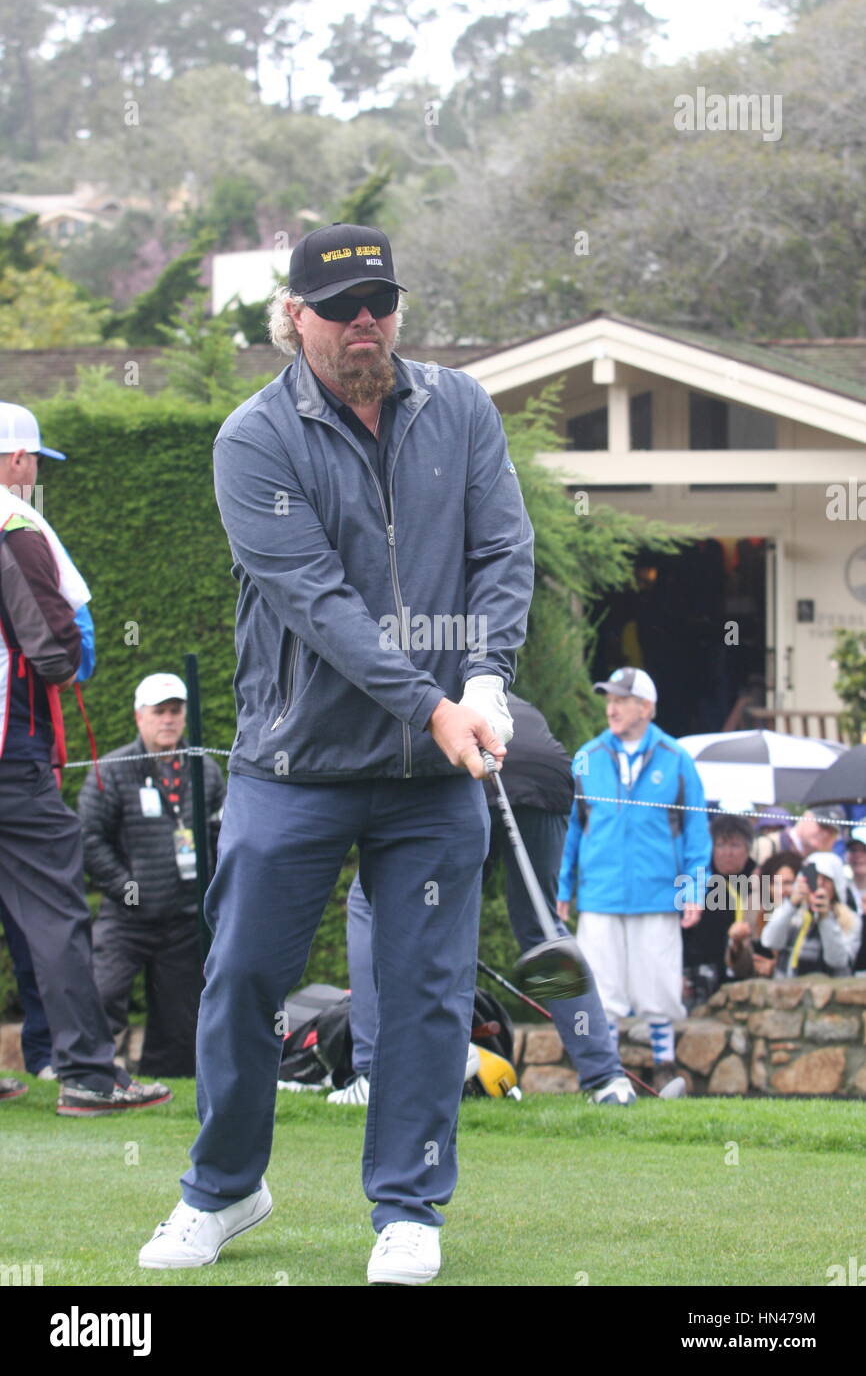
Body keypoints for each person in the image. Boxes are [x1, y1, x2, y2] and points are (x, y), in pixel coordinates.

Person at [138, 222, 534, 1285]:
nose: (365, 324)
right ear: (294, 319)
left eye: (380, 304)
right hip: (295, 764)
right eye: (340, 308)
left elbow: (503, 548)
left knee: (424, 992)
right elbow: (321, 606)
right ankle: (222, 1188)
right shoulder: (253, 438)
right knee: (243, 979)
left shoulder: (459, 408)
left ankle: (407, 1207)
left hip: (428, 782)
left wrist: (486, 678)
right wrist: (435, 705)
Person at [331, 695, 636, 1108]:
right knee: (542, 929)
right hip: (546, 773)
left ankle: (371, 1073)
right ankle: (607, 1080)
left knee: (369, 900)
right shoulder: (492, 686)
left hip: (480, 769)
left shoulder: (422, 697)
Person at [0, 401, 171, 1116]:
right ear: (14, 459)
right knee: (56, 907)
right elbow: (53, 646)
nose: (35, 472)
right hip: (11, 748)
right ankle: (88, 1074)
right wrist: (71, 662)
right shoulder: (13, 522)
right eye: (32, 459)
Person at [556, 667, 711, 1091]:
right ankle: (607, 1071)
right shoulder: (587, 756)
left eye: (622, 700)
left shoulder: (676, 759)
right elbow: (572, 829)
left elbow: (697, 833)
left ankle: (664, 1065)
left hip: (658, 893)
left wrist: (695, 889)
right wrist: (563, 887)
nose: (612, 708)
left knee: (658, 983)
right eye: (609, 699)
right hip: (601, 893)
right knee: (601, 987)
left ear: (646, 707)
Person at [78, 673, 225, 1077]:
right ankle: (93, 1074)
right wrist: (129, 888)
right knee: (103, 992)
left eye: (175, 711)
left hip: (184, 919)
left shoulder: (205, 770)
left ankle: (167, 1086)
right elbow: (89, 839)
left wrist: (210, 892)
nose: (168, 720)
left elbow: (221, 835)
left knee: (181, 1018)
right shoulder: (112, 769)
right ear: (139, 717)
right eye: (159, 711)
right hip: (127, 917)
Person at [682, 813, 760, 1007]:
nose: (728, 853)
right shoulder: (698, 884)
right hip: (701, 974)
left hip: (746, 974)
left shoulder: (758, 883)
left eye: (735, 845)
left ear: (748, 849)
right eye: (721, 845)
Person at [760, 852, 862, 977]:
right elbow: (770, 941)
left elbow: (837, 961)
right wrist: (791, 904)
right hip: (786, 990)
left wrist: (825, 918)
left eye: (826, 880)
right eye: (815, 878)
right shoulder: (792, 911)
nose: (819, 884)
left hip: (827, 992)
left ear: (836, 885)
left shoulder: (849, 919)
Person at [726, 849, 800, 980]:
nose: (782, 890)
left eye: (789, 883)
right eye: (775, 883)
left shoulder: (808, 916)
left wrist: (775, 967)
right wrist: (737, 945)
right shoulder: (756, 911)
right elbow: (741, 968)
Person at [752, 805, 844, 867]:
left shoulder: (823, 864)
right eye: (823, 825)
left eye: (832, 832)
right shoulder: (765, 845)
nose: (825, 834)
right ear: (807, 816)